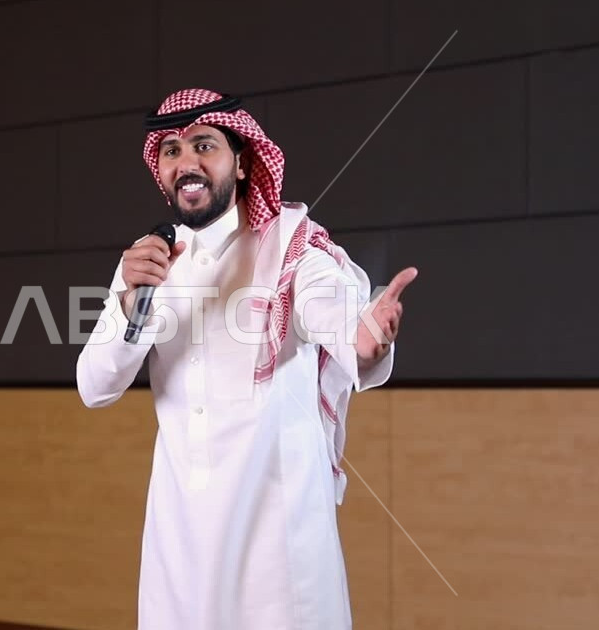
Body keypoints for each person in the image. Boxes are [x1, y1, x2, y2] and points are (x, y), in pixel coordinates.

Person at [76, 88, 417, 630]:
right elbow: (95, 387)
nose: (186, 161)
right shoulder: (147, 260)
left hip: (276, 537)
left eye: (203, 145)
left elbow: (332, 312)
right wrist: (130, 304)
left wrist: (364, 339)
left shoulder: (292, 245)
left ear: (240, 163)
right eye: (170, 150)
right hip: (181, 534)